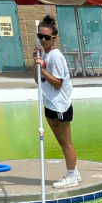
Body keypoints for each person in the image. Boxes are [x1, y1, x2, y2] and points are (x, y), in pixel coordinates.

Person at [33, 15, 79, 189]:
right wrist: (36, 63)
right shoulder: (44, 55)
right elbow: (38, 80)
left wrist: (43, 69)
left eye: (47, 37)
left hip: (60, 105)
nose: (43, 40)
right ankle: (74, 171)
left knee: (66, 143)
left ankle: (72, 176)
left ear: (54, 38)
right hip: (50, 103)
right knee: (62, 143)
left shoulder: (56, 56)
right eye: (40, 36)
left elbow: (58, 83)